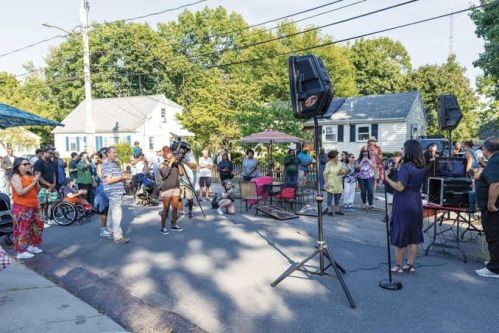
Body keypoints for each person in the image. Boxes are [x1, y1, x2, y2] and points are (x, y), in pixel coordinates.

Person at [385, 140, 427, 273]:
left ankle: (398, 266)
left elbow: (399, 187)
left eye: (403, 149)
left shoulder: (406, 167)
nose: (402, 151)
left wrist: (386, 178)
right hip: (416, 201)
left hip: (404, 202)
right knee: (413, 235)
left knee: (400, 234)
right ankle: (410, 264)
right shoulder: (421, 166)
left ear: (408, 150)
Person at [474, 137, 499, 278]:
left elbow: (495, 184)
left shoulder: (495, 161)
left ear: (486, 149)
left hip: (493, 209)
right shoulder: (494, 161)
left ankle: (494, 269)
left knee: (494, 237)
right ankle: (495, 261)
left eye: (482, 148)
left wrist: (491, 204)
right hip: (492, 207)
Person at [10, 157, 44, 259]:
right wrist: (33, 182)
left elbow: (37, 190)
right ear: (18, 166)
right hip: (22, 207)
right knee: (23, 229)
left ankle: (33, 245)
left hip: (34, 205)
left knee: (38, 226)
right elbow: (20, 192)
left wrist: (36, 180)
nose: (28, 165)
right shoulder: (15, 176)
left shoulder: (29, 175)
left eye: (28, 163)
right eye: (24, 164)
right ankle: (21, 251)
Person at [101, 146, 130, 244]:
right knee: (117, 213)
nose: (115, 154)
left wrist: (122, 176)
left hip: (115, 191)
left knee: (111, 211)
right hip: (114, 191)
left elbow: (114, 177)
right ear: (108, 154)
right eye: (113, 152)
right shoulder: (107, 164)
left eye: (115, 152)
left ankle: (110, 231)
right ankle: (117, 236)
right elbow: (109, 180)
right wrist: (122, 177)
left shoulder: (113, 164)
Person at [159, 148, 184, 234]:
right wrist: (170, 163)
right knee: (166, 208)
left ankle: (174, 224)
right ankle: (163, 227)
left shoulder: (175, 164)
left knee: (175, 207)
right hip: (167, 188)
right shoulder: (162, 164)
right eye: (169, 153)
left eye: (171, 153)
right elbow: (165, 174)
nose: (171, 155)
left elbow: (181, 173)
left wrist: (179, 164)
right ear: (165, 155)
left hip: (176, 187)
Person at [33, 147, 57, 224]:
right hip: (42, 186)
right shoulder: (38, 163)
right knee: (44, 204)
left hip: (51, 185)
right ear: (44, 152)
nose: (51, 155)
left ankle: (50, 217)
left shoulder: (51, 162)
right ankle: (43, 218)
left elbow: (53, 173)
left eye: (52, 153)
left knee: (53, 201)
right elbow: (38, 176)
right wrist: (49, 185)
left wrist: (54, 183)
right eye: (50, 153)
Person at [95, 148, 111, 238]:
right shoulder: (100, 166)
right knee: (104, 210)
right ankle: (103, 230)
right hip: (104, 189)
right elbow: (102, 177)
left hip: (110, 189)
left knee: (109, 210)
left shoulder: (110, 164)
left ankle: (108, 228)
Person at [323, 150, 345, 216]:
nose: (338, 156)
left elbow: (342, 171)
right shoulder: (328, 164)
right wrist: (326, 182)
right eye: (336, 155)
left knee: (337, 197)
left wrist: (342, 172)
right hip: (331, 182)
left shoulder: (339, 163)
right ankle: (329, 211)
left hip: (338, 182)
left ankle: (337, 210)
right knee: (329, 198)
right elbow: (325, 174)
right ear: (333, 157)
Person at [178, 150, 197, 219]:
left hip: (188, 179)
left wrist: (184, 161)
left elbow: (194, 166)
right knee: (178, 197)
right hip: (179, 180)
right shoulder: (176, 156)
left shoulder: (190, 156)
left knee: (189, 197)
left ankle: (190, 211)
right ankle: (181, 212)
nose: (181, 152)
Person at [384, 152, 402, 222]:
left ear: (400, 158)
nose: (395, 158)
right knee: (389, 203)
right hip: (390, 186)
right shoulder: (389, 164)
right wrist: (389, 168)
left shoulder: (403, 165)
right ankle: (387, 216)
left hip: (398, 186)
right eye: (394, 157)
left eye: (397, 157)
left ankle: (395, 217)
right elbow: (385, 174)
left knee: (397, 203)